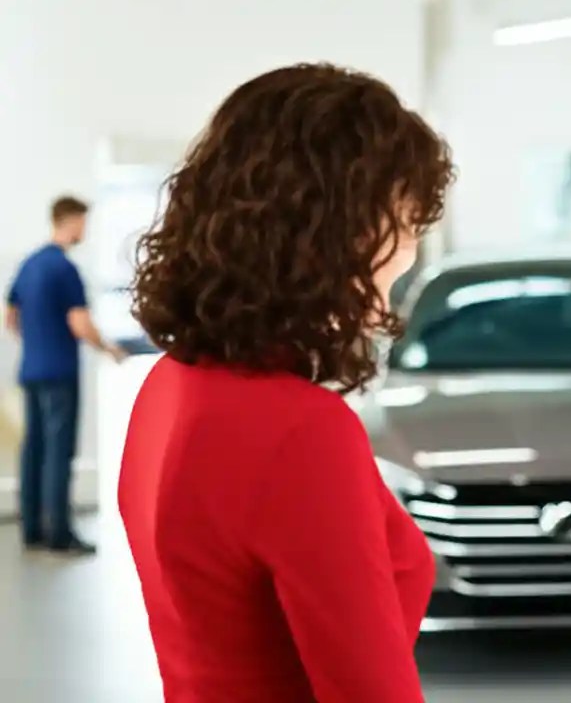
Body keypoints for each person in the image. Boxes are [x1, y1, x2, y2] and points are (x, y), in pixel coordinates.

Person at [118, 63, 454, 702]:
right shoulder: (300, 431)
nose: (408, 253)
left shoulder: (167, 385)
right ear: (334, 229)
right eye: (404, 223)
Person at [5, 195, 126, 555]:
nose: (84, 230)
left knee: (33, 449)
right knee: (59, 452)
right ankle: (59, 533)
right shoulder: (64, 269)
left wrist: (36, 340)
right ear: (70, 221)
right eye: (83, 222)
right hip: (59, 371)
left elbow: (11, 316)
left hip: (31, 368)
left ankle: (32, 530)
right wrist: (110, 349)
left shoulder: (28, 265)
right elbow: (79, 323)